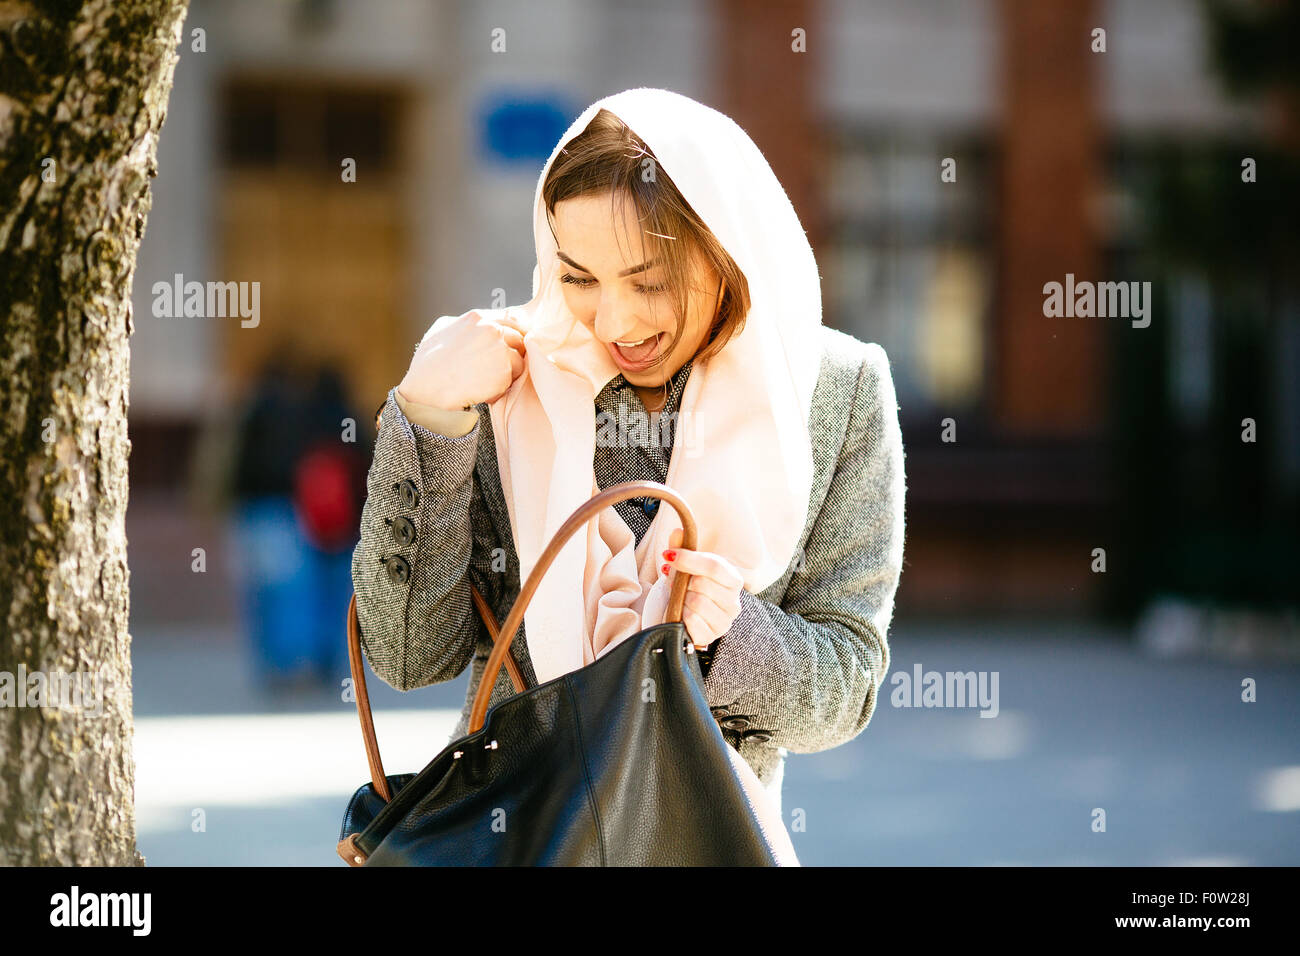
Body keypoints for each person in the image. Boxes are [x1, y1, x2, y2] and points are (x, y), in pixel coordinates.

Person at [351, 87, 906, 820]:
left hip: (707, 836)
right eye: (577, 276)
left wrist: (733, 636)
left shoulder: (835, 389)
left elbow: (850, 683)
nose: (613, 319)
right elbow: (409, 657)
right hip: (515, 834)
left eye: (649, 281)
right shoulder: (505, 375)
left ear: (727, 252)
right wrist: (427, 421)